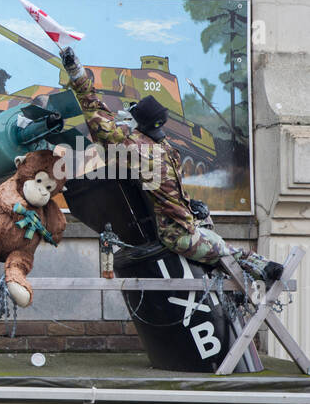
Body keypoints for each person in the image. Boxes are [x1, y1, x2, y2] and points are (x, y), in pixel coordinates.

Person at [61, 46, 281, 284]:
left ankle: (260, 270)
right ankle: (259, 269)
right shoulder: (167, 148)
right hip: (183, 230)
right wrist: (189, 204)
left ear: (140, 124)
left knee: (225, 250)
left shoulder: (144, 152)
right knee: (224, 247)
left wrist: (77, 73)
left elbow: (99, 121)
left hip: (177, 237)